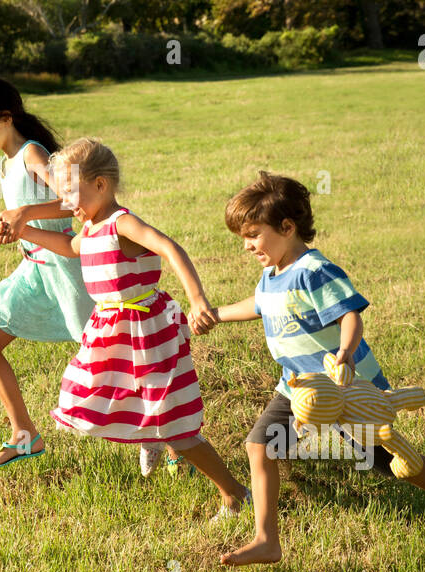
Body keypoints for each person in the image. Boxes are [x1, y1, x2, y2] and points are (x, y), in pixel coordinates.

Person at [202, 171, 425, 565]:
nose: (247, 246)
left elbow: (350, 315)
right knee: (259, 446)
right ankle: (267, 539)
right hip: (298, 389)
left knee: (389, 463)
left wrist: (346, 353)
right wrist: (215, 315)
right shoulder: (272, 272)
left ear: (287, 227)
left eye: (253, 235)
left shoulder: (314, 271)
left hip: (346, 389)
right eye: (243, 238)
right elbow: (259, 305)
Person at [13, 138, 251, 522]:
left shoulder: (120, 223)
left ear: (101, 185)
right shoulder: (90, 228)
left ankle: (236, 494)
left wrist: (197, 301)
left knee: (175, 424)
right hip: (113, 333)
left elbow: (169, 248)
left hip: (146, 333)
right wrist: (24, 230)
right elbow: (70, 247)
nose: (66, 202)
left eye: (71, 192)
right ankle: (151, 435)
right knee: (89, 395)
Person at [0, 78, 94, 468]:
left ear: (6, 117)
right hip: (34, 270)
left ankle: (173, 440)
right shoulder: (7, 163)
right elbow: (26, 215)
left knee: (110, 357)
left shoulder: (33, 154)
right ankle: (25, 436)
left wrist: (25, 214)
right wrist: (12, 226)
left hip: (67, 271)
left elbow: (77, 202)